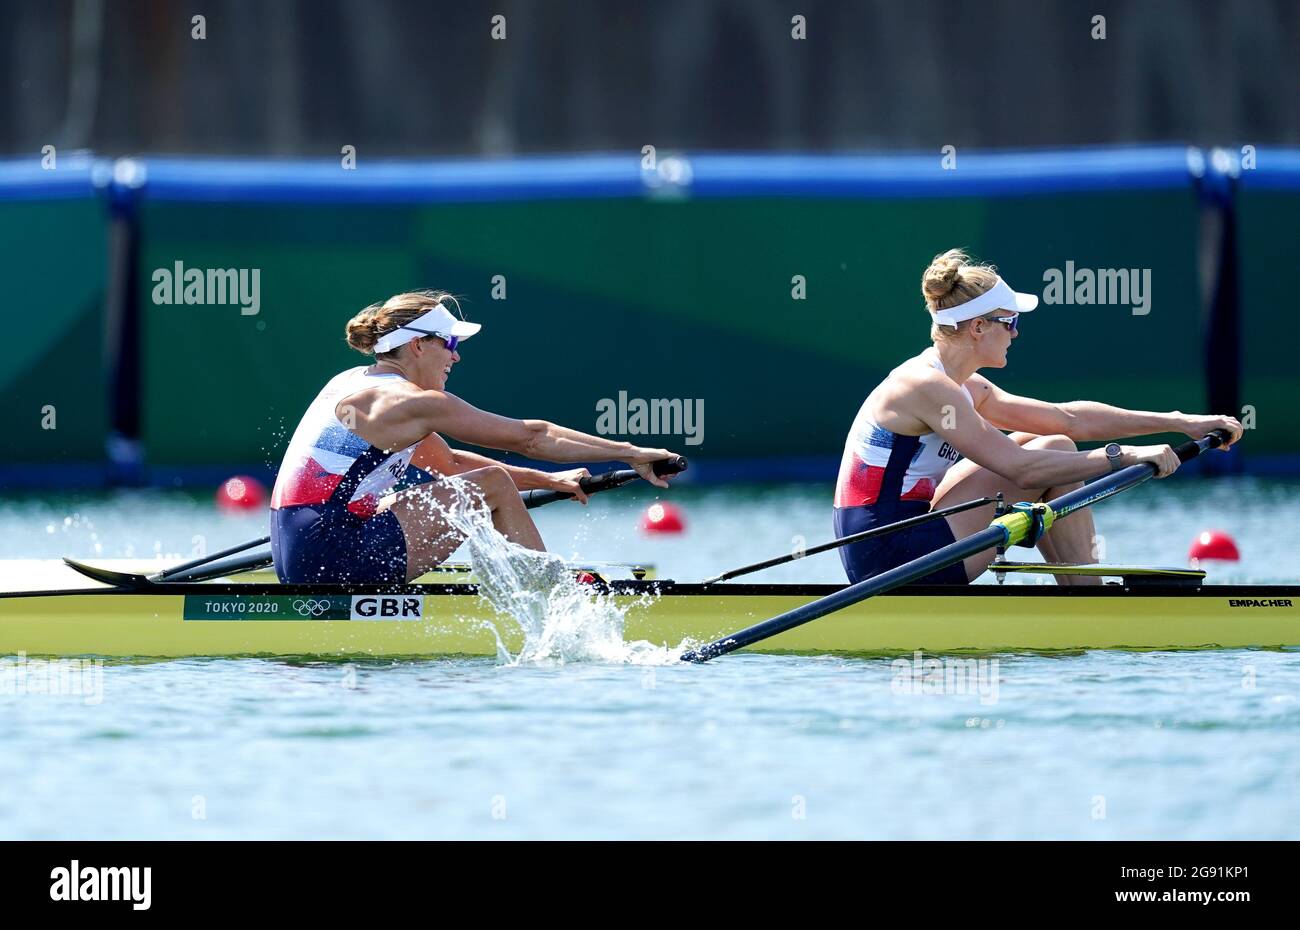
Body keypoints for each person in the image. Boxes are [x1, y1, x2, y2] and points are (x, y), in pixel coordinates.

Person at [833, 249, 1242, 585]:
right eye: (1009, 322)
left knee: (1055, 444)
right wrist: (1125, 456)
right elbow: (1021, 470)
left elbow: (1069, 420)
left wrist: (1181, 421)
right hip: (887, 559)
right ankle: (1087, 603)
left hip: (907, 535)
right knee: (1044, 462)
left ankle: (1083, 593)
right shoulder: (925, 387)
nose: (1015, 333)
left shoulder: (963, 385)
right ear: (977, 327)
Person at [270, 290, 678, 583]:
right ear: (417, 346)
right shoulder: (413, 402)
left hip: (298, 553)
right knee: (493, 486)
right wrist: (632, 453)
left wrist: (550, 481)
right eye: (450, 343)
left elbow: (450, 465)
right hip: (332, 557)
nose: (456, 356)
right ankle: (551, 595)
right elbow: (533, 438)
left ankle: (528, 577)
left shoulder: (352, 383)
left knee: (441, 490)